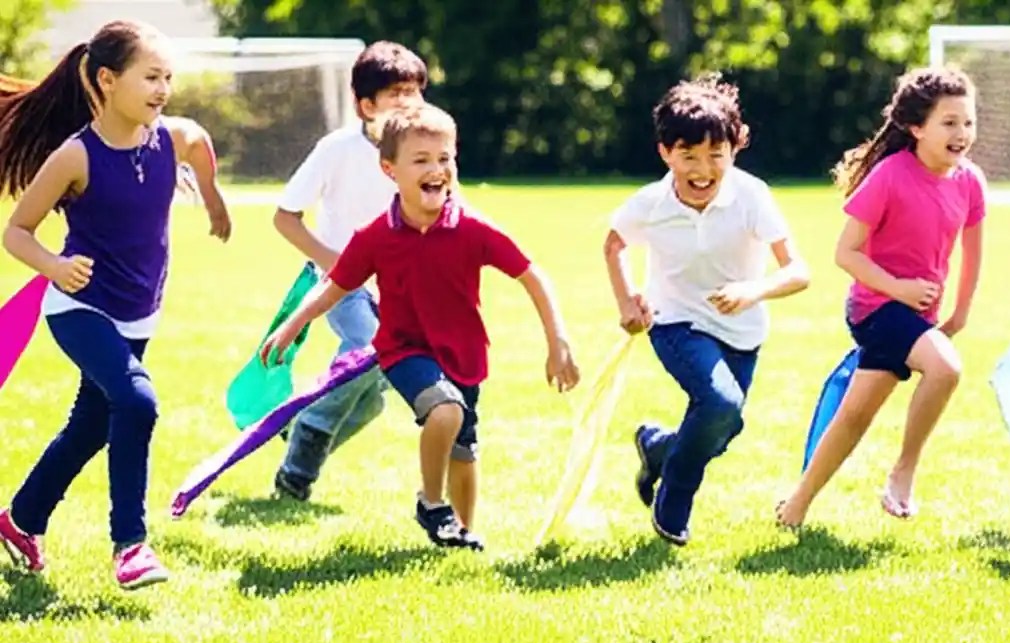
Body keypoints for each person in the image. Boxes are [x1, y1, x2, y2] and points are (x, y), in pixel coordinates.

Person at [260, 104, 579, 550]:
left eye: (445, 158)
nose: (437, 169)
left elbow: (532, 275)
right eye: (422, 160)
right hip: (404, 349)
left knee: (464, 450)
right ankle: (431, 503)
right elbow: (335, 287)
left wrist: (557, 339)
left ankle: (462, 532)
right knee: (445, 410)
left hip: (465, 354)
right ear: (389, 170)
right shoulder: (375, 236)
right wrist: (293, 325)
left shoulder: (472, 228)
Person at [0, 20, 232, 589]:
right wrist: (54, 266)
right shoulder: (74, 157)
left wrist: (214, 202)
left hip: (138, 310)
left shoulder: (174, 137)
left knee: (91, 425)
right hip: (80, 307)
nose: (162, 89)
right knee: (137, 402)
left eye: (168, 78)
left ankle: (20, 519)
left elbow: (200, 147)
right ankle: (130, 545)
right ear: (107, 79)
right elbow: (17, 231)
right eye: (150, 76)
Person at [775, 67, 986, 528]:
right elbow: (845, 253)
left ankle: (796, 506)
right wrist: (900, 289)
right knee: (946, 369)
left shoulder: (970, 181)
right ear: (916, 128)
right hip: (876, 308)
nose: (962, 134)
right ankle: (904, 472)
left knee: (854, 416)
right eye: (949, 123)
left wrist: (960, 313)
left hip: (918, 315)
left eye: (968, 122)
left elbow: (973, 252)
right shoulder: (891, 176)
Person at [606, 73, 811, 546]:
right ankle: (674, 502)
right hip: (676, 321)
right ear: (665, 153)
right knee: (720, 404)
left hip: (743, 329)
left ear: (735, 149)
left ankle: (658, 448)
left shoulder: (752, 195)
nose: (702, 169)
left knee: (722, 428)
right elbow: (614, 243)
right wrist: (627, 298)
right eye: (688, 155)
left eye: (715, 154)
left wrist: (753, 290)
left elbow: (799, 270)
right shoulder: (651, 203)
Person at [270, 41, 429, 501]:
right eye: (398, 92)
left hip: (396, 287)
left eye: (416, 92)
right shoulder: (336, 148)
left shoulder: (422, 149)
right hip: (338, 280)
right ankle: (296, 472)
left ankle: (299, 428)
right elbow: (285, 217)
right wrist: (337, 265)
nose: (410, 102)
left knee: (371, 401)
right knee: (368, 351)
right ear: (366, 105)